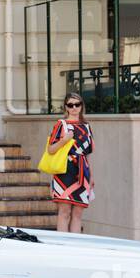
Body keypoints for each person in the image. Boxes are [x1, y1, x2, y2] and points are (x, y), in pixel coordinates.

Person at [46, 94, 95, 233]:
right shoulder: (61, 125)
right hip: (64, 171)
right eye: (70, 105)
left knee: (78, 214)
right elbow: (50, 150)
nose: (74, 108)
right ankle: (62, 248)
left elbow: (87, 155)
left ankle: (76, 248)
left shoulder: (86, 126)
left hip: (82, 172)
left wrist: (91, 176)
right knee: (64, 211)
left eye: (77, 104)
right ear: (66, 107)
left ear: (81, 106)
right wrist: (64, 140)